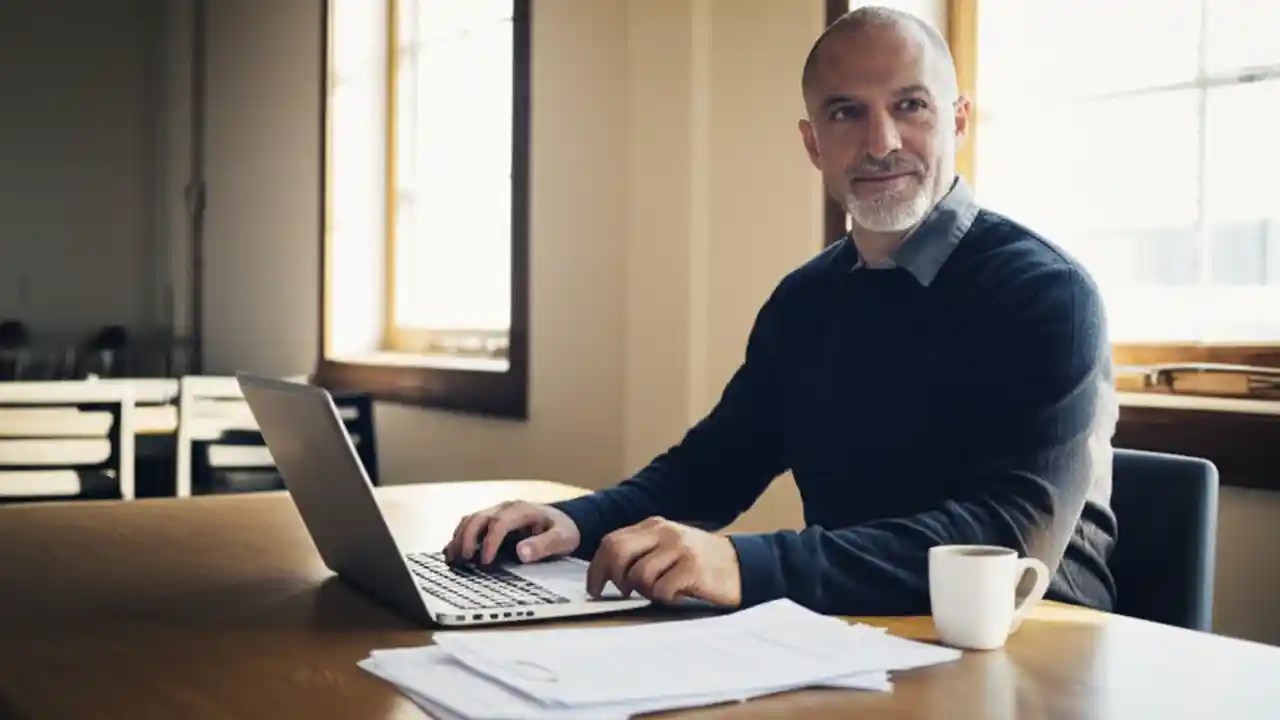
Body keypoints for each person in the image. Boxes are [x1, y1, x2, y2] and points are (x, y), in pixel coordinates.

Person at [444, 6, 1118, 615]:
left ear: (959, 121)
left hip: (1030, 643)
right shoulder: (804, 300)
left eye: (910, 105)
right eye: (846, 112)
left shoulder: (1046, 294)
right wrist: (573, 523)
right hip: (854, 636)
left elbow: (1002, 539)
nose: (881, 140)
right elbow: (713, 467)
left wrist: (744, 563)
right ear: (812, 142)